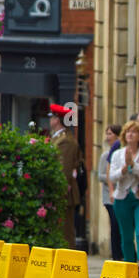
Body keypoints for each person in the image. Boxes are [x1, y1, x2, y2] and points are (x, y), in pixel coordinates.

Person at [108, 120, 139, 278]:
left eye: (134, 132)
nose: (130, 134)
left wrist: (133, 165)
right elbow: (112, 176)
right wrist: (124, 168)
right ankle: (129, 266)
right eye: (127, 131)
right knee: (126, 235)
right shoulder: (117, 154)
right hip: (122, 198)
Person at [48, 103, 80, 248]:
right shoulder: (57, 138)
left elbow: (64, 169)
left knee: (65, 232)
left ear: (57, 120)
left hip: (64, 193)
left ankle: (69, 262)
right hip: (59, 192)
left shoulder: (65, 141)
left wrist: (59, 190)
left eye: (52, 117)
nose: (50, 121)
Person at [97, 123, 124, 261]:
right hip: (109, 197)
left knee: (122, 226)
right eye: (107, 134)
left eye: (110, 134)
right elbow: (100, 175)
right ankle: (116, 255)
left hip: (121, 193)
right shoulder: (106, 155)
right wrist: (113, 177)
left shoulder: (122, 154)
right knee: (115, 225)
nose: (108, 137)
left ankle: (122, 253)